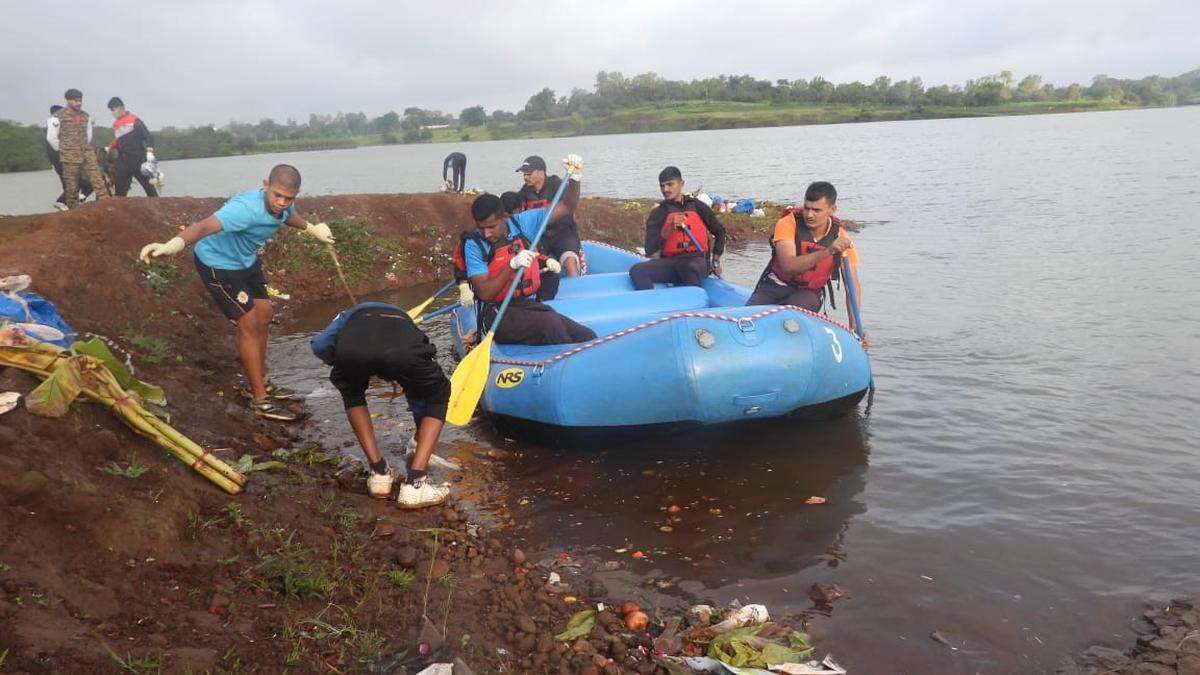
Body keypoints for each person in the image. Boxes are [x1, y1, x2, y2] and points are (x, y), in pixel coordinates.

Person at [138, 164, 336, 422]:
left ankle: (259, 379)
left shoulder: (284, 205)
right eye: (277, 195)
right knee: (249, 324)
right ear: (265, 184)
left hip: (246, 262)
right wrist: (172, 245)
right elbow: (204, 227)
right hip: (219, 265)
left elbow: (286, 216)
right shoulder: (243, 209)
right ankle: (260, 399)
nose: (281, 202)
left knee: (264, 315)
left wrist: (311, 228)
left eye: (289, 198)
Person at [311, 302, 452, 508]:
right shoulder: (406, 321)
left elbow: (319, 345)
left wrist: (341, 362)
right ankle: (415, 483)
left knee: (352, 394)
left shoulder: (347, 316)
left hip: (351, 352)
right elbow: (423, 356)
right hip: (404, 353)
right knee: (437, 396)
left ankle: (379, 473)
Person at [464, 155, 596, 345]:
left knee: (585, 335)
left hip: (529, 305)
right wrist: (511, 265)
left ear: (504, 218)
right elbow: (485, 293)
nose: (486, 233)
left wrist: (575, 179)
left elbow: (566, 207)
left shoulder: (523, 222)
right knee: (550, 324)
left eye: (491, 227)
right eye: (481, 227)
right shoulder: (474, 244)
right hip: (497, 313)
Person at [746, 181, 867, 343]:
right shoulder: (788, 223)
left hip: (808, 293)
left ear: (832, 210)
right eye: (807, 208)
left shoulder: (842, 238)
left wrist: (855, 328)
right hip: (775, 285)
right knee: (746, 321)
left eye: (817, 210)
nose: (809, 215)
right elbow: (788, 265)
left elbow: (851, 286)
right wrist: (828, 251)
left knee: (792, 315)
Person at [629, 166, 727, 290]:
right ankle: (652, 301)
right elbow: (650, 249)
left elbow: (720, 231)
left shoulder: (698, 207)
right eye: (662, 186)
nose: (665, 189)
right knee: (637, 271)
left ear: (681, 184)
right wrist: (669, 228)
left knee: (690, 268)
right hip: (671, 263)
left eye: (670, 185)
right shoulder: (658, 213)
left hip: (696, 261)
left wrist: (715, 260)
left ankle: (692, 302)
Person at [515, 155, 583, 277]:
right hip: (540, 237)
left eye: (529, 174)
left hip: (562, 233)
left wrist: (575, 178)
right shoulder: (524, 191)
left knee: (569, 260)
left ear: (541, 172)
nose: (525, 177)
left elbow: (570, 202)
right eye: (524, 174)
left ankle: (575, 282)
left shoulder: (556, 184)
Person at [47, 89, 110, 209]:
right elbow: (51, 138)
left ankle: (105, 203)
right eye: (76, 101)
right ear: (68, 100)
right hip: (69, 155)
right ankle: (72, 209)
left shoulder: (86, 116)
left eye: (80, 100)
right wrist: (64, 149)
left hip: (86, 152)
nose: (78, 103)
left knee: (97, 178)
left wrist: (84, 147)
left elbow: (89, 135)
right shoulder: (57, 117)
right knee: (71, 185)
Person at [106, 97, 159, 198]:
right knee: (120, 189)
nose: (113, 113)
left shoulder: (134, 120)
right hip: (122, 159)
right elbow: (119, 140)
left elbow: (148, 136)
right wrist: (109, 147)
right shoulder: (116, 124)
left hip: (137, 158)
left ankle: (157, 205)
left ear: (121, 108)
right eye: (111, 111)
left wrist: (150, 151)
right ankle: (120, 210)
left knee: (148, 186)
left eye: (113, 110)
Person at [44, 104, 93, 211]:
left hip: (59, 162)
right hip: (64, 161)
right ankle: (62, 201)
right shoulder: (57, 130)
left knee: (70, 185)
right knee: (82, 183)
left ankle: (70, 206)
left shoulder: (50, 130)